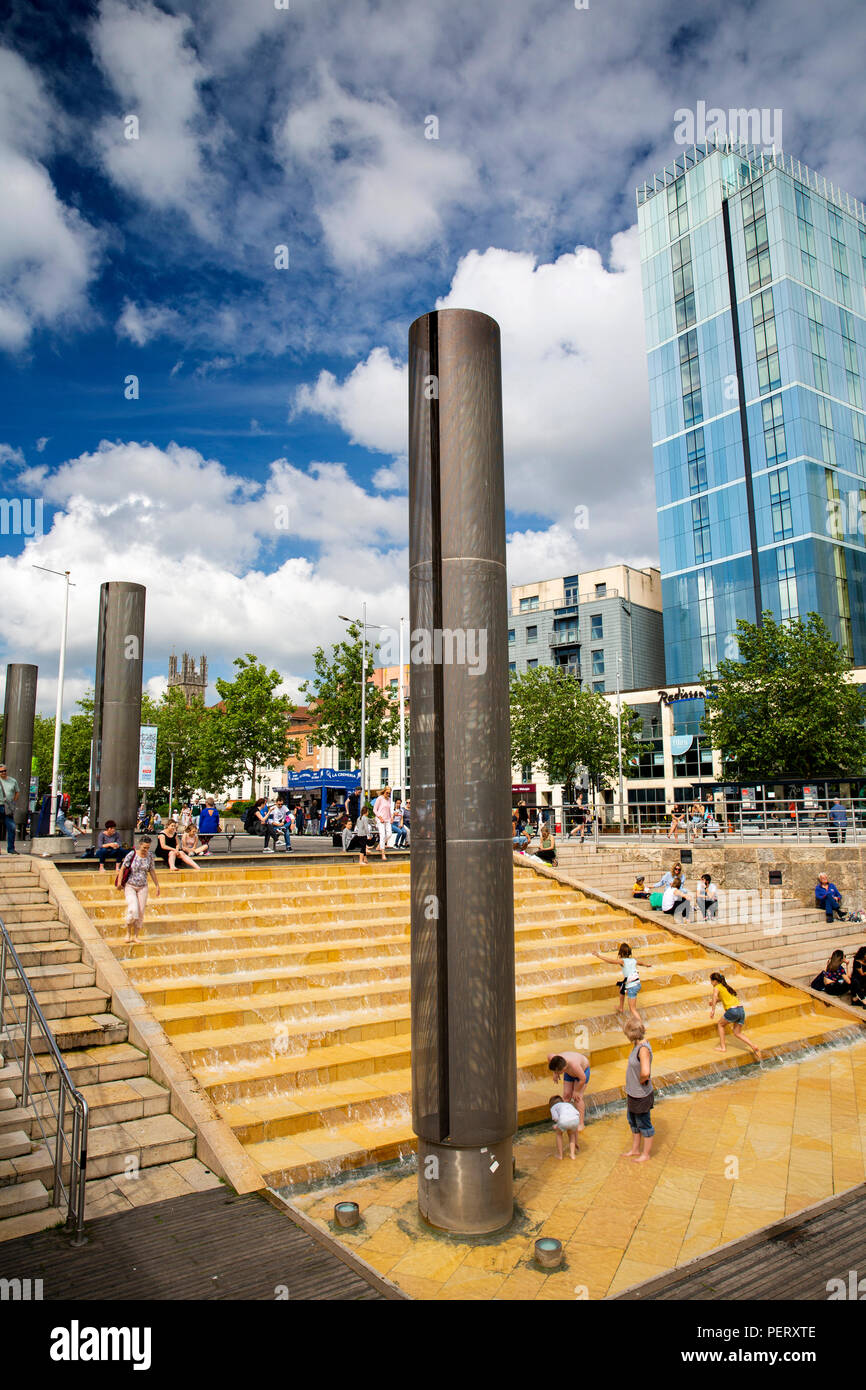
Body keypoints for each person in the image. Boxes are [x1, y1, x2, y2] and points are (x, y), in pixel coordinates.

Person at [621, 1017, 654, 1163]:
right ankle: (635, 1149)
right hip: (633, 1092)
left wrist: (641, 1081)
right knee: (633, 1121)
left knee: (644, 1123)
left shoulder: (643, 1049)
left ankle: (645, 1154)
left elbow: (645, 1072)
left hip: (641, 1094)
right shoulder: (637, 1044)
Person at [117, 835, 160, 944]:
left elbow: (152, 871)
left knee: (140, 912)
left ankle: (136, 936)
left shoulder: (150, 856)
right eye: (144, 847)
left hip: (143, 886)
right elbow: (122, 869)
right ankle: (128, 933)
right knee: (133, 909)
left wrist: (157, 886)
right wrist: (119, 883)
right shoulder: (132, 854)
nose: (146, 850)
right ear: (140, 845)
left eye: (148, 848)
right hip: (130, 885)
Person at [709, 972, 762, 1059]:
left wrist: (713, 1010)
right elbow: (724, 998)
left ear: (715, 981)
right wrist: (714, 1002)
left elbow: (715, 996)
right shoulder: (726, 987)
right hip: (741, 1010)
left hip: (732, 1010)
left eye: (711, 981)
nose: (711, 983)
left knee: (720, 1024)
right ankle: (753, 1046)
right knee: (737, 1033)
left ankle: (723, 1047)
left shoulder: (717, 987)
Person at [593, 942, 650, 1020]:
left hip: (632, 986)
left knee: (632, 1009)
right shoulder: (633, 960)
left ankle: (640, 1026)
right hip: (637, 983)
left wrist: (598, 956)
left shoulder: (622, 961)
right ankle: (620, 1007)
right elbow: (641, 963)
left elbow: (611, 961)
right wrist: (647, 965)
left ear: (621, 953)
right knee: (622, 986)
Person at [546, 1051, 590, 1126]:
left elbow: (583, 1078)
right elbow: (549, 1055)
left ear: (563, 1069)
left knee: (577, 1098)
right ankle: (564, 1118)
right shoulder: (554, 1058)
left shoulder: (574, 1065)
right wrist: (555, 1073)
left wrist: (576, 1091)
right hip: (570, 1073)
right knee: (566, 1095)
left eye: (558, 1072)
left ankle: (581, 1123)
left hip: (582, 1073)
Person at [550, 1094, 581, 1159]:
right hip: (576, 1119)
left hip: (564, 1120)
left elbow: (555, 1118)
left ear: (551, 1105)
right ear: (562, 1101)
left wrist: (557, 1125)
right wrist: (576, 1142)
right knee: (571, 1134)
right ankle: (572, 1155)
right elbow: (577, 1113)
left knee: (559, 1134)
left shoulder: (553, 1107)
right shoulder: (568, 1104)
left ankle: (560, 1155)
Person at [0, 762, 20, 854]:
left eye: (4, 771)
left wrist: (13, 802)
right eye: (1, 771)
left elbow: (17, 792)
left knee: (11, 827)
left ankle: (11, 849)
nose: (3, 773)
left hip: (8, 807)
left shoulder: (12, 781)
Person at [373, 786, 393, 862]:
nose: (388, 794)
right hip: (380, 818)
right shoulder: (380, 798)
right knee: (382, 834)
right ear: (384, 792)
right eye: (387, 792)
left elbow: (389, 810)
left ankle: (379, 846)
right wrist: (379, 817)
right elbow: (375, 809)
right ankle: (383, 853)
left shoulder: (389, 800)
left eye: (389, 793)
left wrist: (391, 817)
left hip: (387, 818)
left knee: (389, 834)